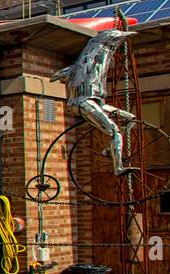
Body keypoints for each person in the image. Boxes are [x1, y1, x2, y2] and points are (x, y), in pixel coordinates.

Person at [52, 27, 138, 177]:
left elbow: (59, 75)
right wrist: (71, 73)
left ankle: (109, 150)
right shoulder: (88, 60)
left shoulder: (102, 58)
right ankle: (118, 168)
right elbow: (57, 75)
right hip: (85, 102)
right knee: (115, 131)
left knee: (131, 120)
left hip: (98, 102)